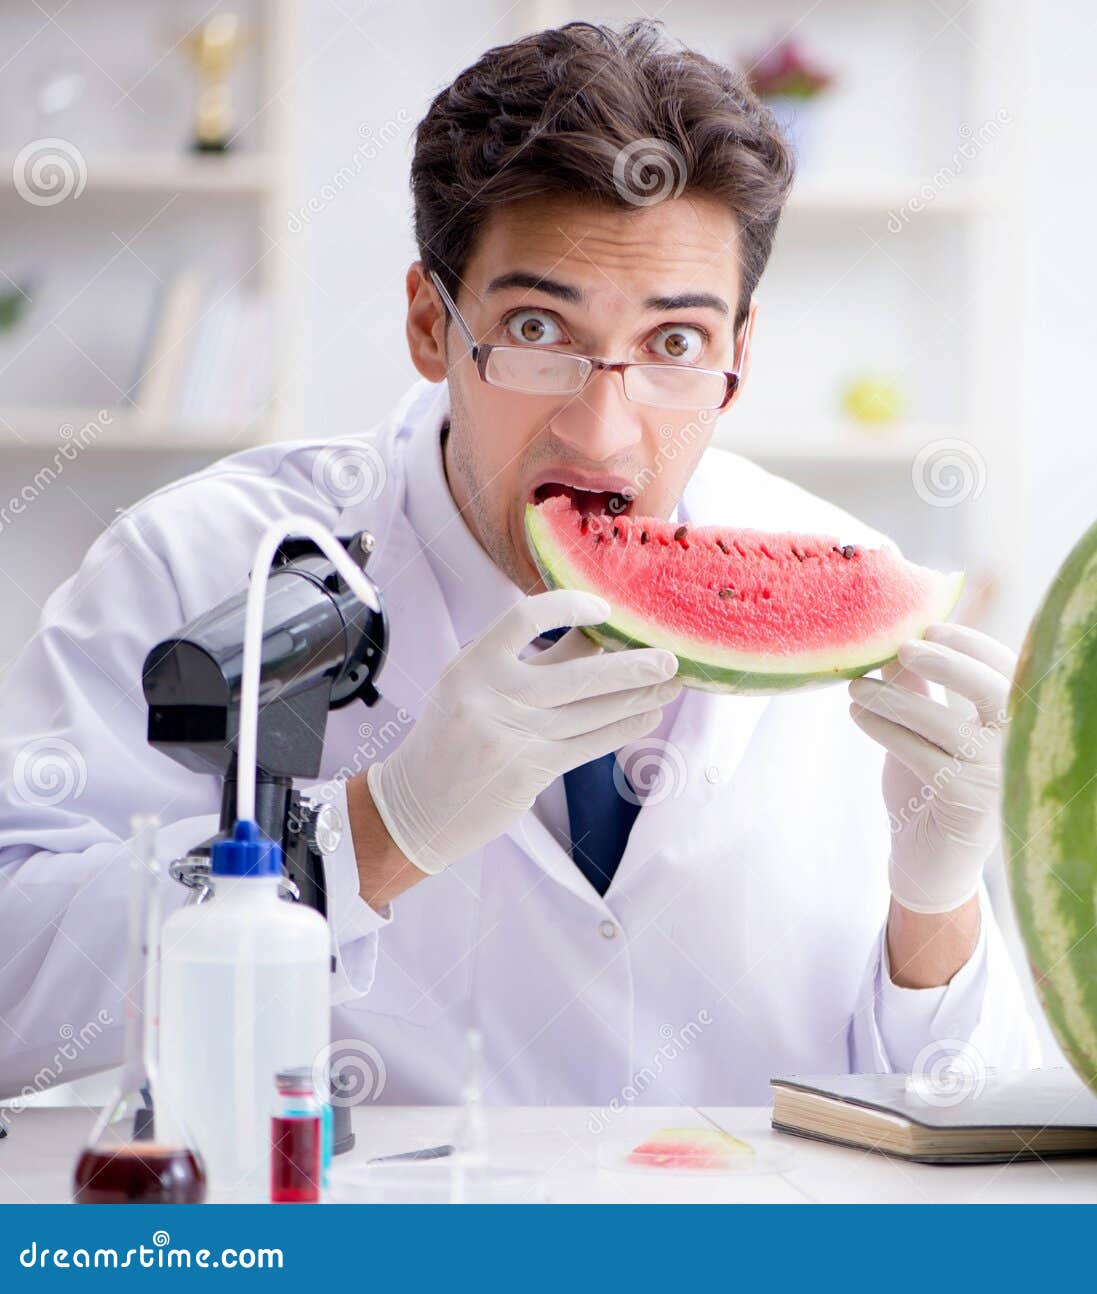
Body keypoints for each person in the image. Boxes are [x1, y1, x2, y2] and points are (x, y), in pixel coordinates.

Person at [0, 21, 1038, 1105]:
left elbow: (977, 1118)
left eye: (675, 344)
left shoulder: (854, 591)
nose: (601, 430)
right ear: (428, 322)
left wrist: (938, 899)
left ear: (740, 352)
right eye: (537, 327)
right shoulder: (204, 559)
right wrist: (372, 834)